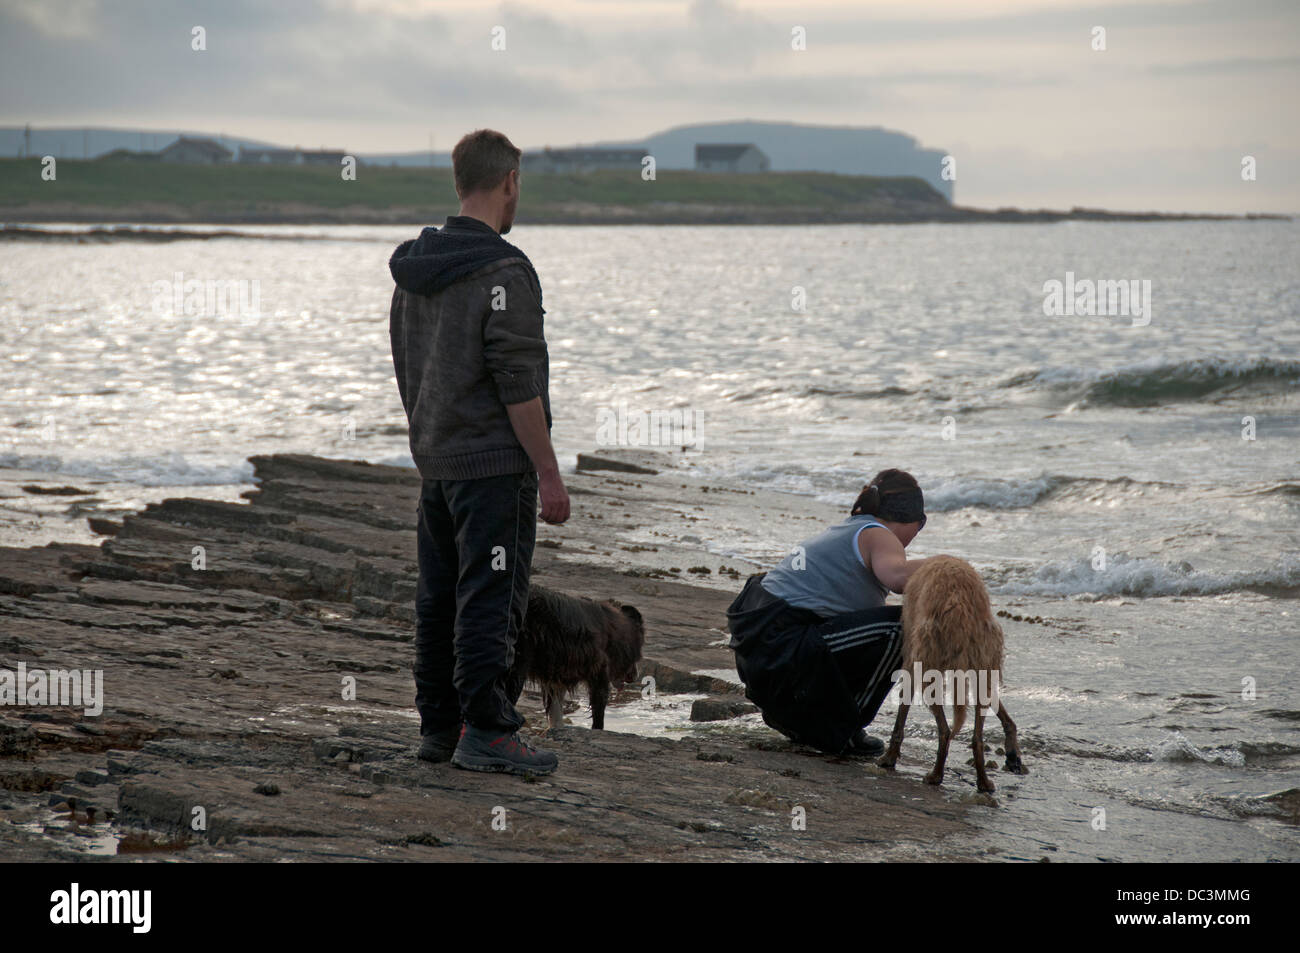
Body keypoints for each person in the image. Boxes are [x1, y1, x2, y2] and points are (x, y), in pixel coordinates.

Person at [388, 129, 570, 776]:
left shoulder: (414, 268)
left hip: (437, 462)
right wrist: (549, 474)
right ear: (509, 182)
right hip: (494, 467)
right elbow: (517, 382)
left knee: (439, 599)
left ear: (458, 181)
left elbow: (410, 368)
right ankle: (489, 729)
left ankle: (440, 727)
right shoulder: (503, 271)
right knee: (490, 597)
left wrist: (428, 439)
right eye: (519, 184)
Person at [726, 468, 930, 757]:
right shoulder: (878, 534)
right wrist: (948, 565)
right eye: (920, 526)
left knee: (870, 631)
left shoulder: (847, 530)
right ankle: (842, 729)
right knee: (901, 628)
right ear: (912, 519)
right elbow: (898, 578)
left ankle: (801, 720)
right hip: (782, 650)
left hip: (763, 659)